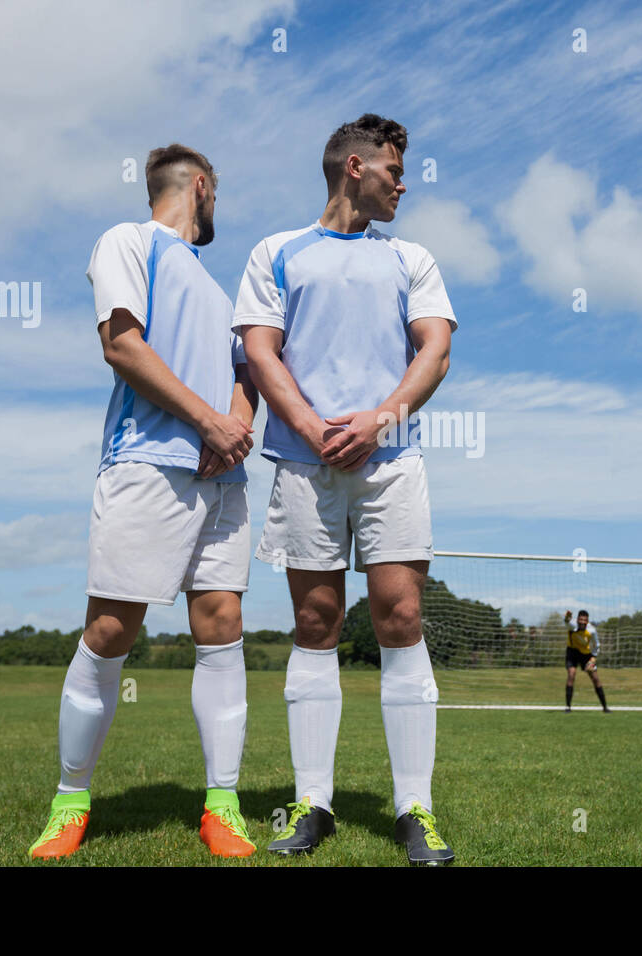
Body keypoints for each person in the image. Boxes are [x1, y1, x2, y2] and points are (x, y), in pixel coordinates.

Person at [234, 114, 456, 865]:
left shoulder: (413, 258)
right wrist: (312, 425)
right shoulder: (276, 252)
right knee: (317, 618)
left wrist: (378, 422)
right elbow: (260, 352)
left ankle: (414, 811)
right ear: (354, 166)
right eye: (395, 169)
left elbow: (436, 350)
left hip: (392, 461)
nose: (404, 182)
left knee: (399, 614)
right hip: (303, 464)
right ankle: (313, 803)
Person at [28, 144, 259, 860]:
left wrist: (237, 426)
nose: (217, 204)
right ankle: (71, 802)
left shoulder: (221, 292)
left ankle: (222, 804)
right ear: (199, 186)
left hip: (222, 477)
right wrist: (207, 420)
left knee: (222, 624)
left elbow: (246, 374)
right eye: (215, 192)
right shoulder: (127, 242)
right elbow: (122, 346)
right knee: (110, 630)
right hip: (146, 467)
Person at [564, 609, 610, 713]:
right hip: (572, 653)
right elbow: (566, 621)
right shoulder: (572, 626)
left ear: (587, 621)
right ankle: (568, 707)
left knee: (595, 678)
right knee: (571, 674)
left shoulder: (592, 630)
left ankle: (605, 707)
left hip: (586, 655)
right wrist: (567, 617)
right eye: (580, 619)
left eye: (584, 620)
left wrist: (593, 658)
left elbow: (597, 645)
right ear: (577, 619)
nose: (582, 622)